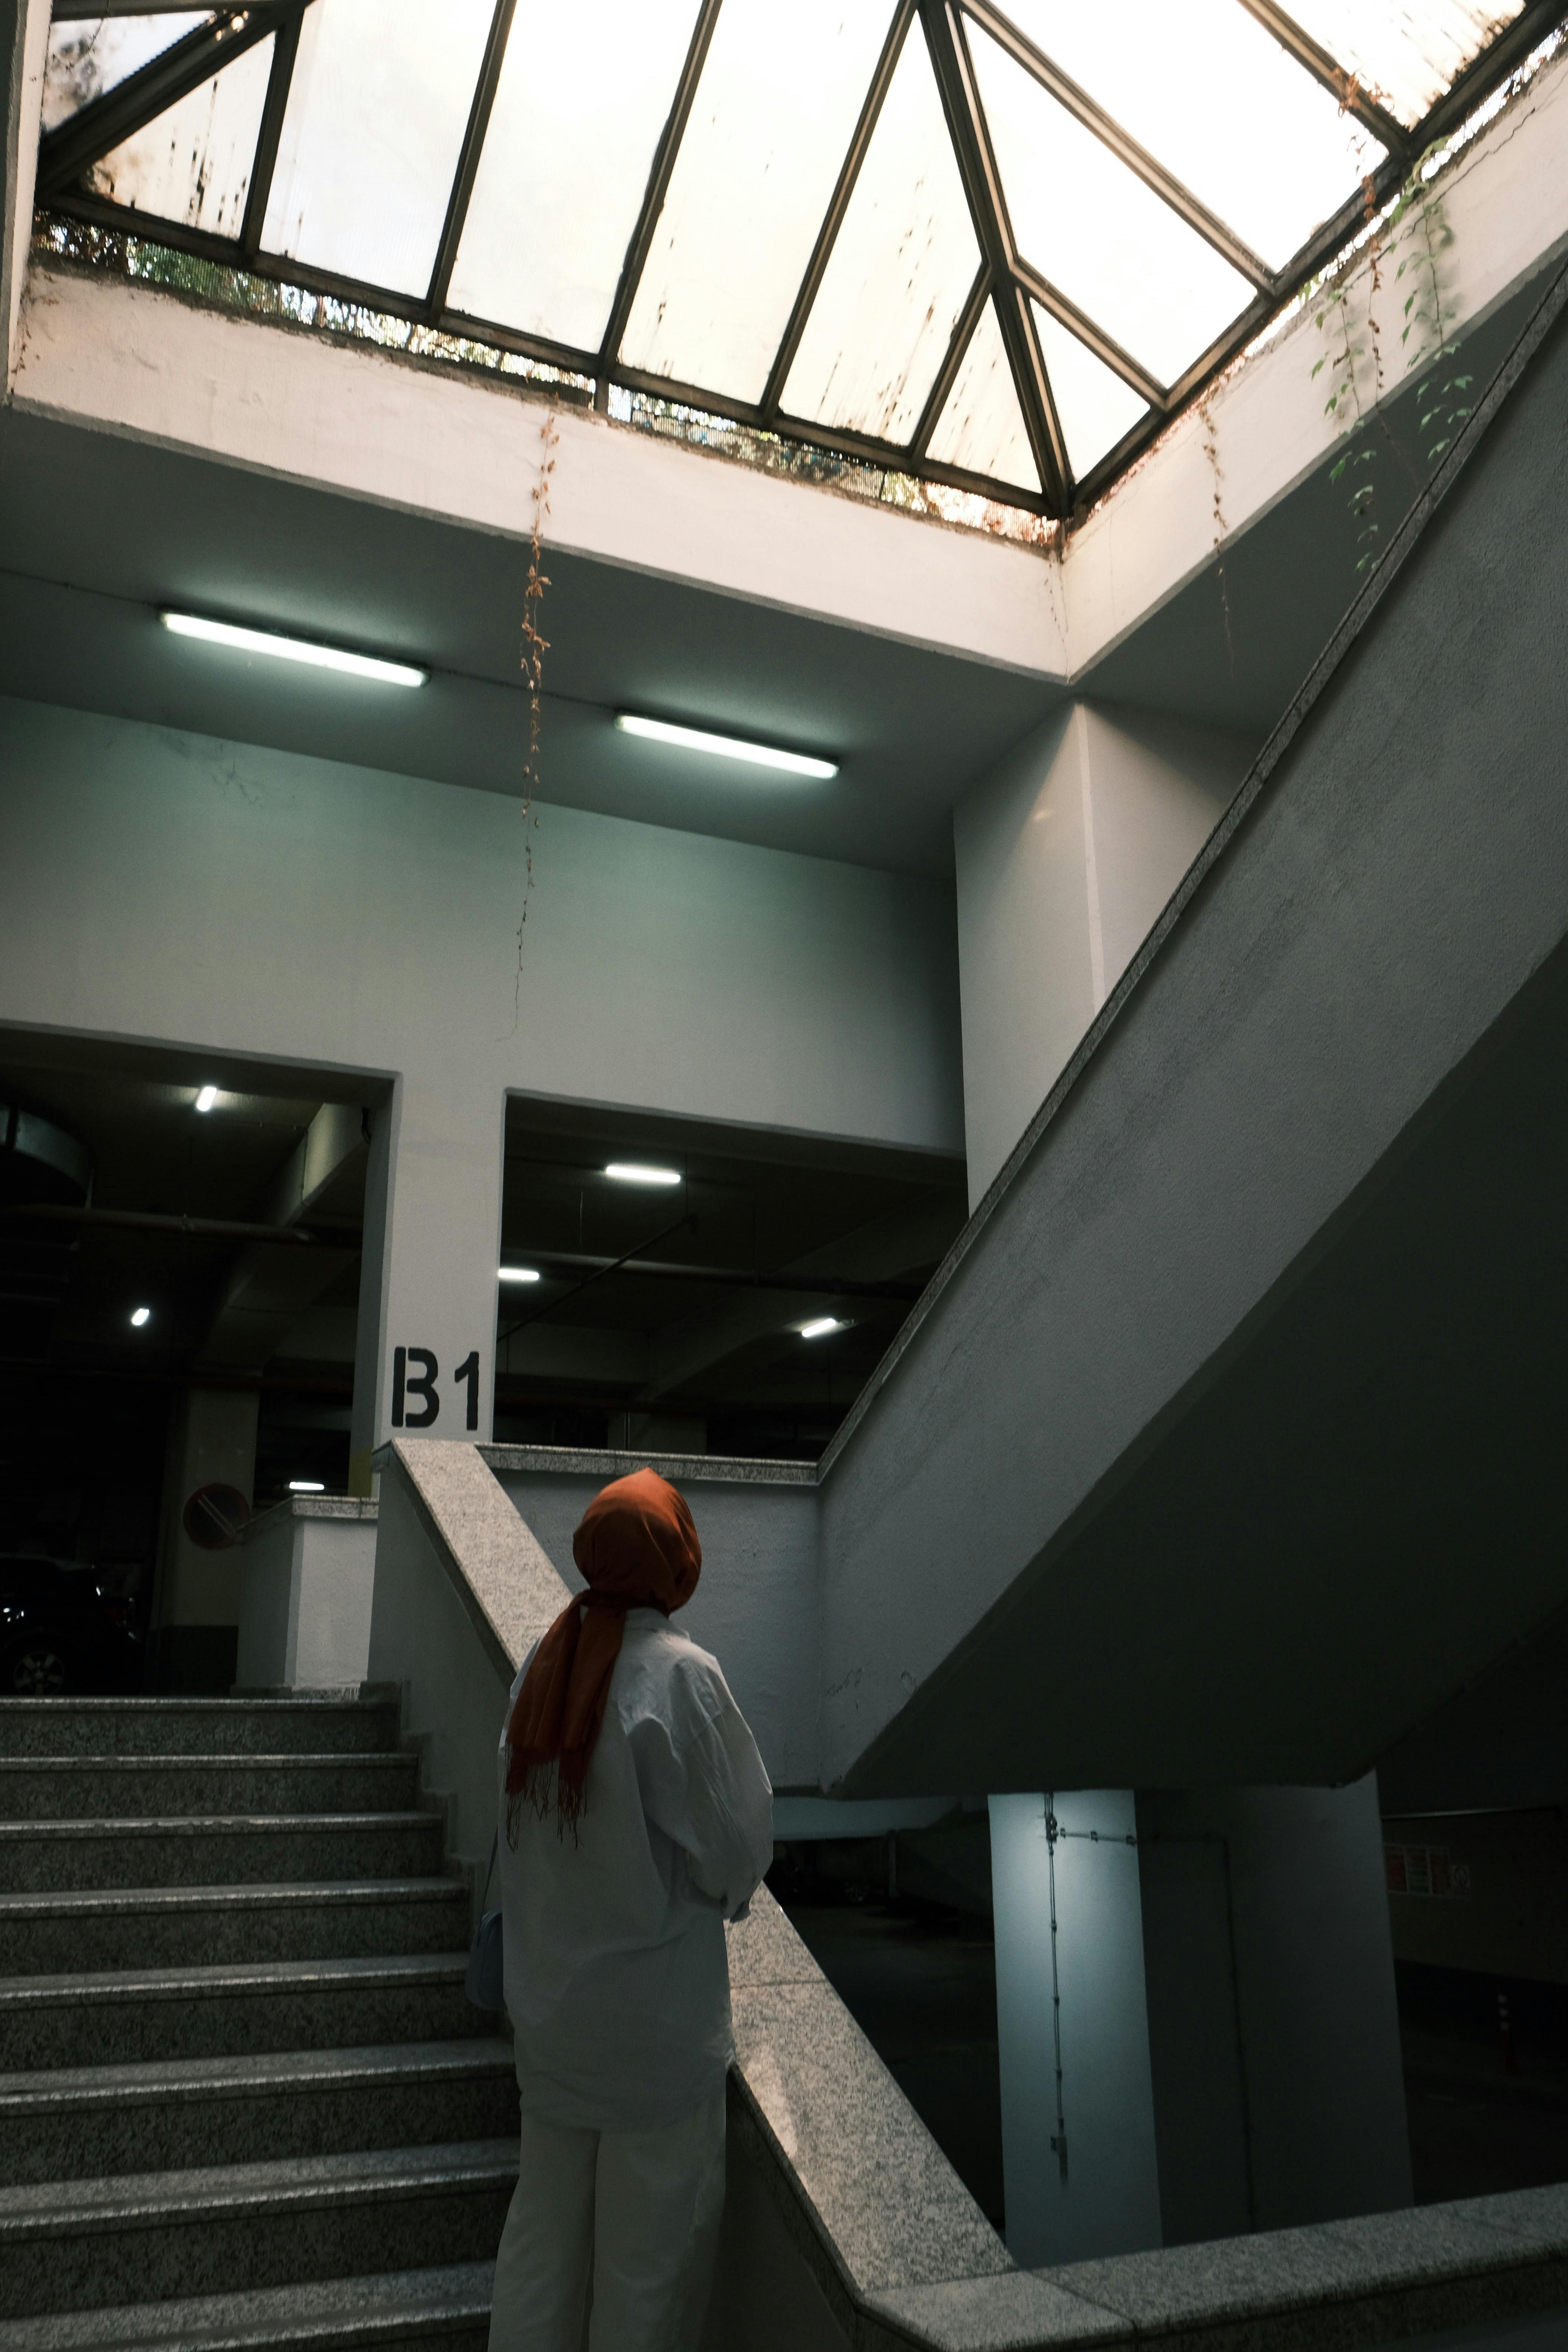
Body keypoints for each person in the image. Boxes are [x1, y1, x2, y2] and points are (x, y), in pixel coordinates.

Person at [487, 1465, 774, 2352]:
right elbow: (738, 1851)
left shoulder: (542, 1668)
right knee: (647, 2276)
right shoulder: (683, 1679)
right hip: (654, 2042)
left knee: (540, 2254)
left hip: (551, 2027)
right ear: (679, 1563)